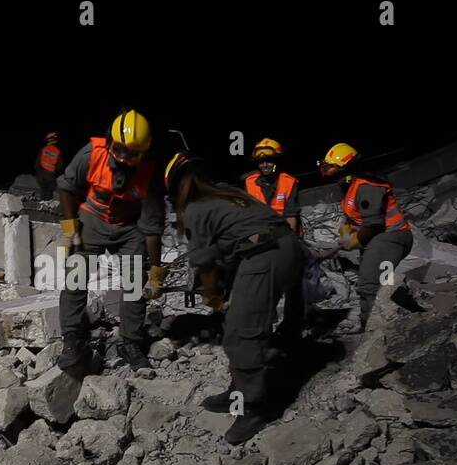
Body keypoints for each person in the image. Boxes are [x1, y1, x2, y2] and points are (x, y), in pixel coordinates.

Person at [165, 151, 303, 444]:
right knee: (236, 321)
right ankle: (240, 389)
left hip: (265, 254)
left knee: (241, 332)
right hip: (282, 248)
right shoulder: (230, 195)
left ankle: (253, 406)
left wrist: (213, 297)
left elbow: (204, 262)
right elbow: (229, 248)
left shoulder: (196, 208)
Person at [55, 109, 167, 371]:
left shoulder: (150, 172)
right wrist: (71, 228)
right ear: (109, 141)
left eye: (133, 154)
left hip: (129, 225)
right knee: (75, 276)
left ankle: (130, 343)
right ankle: (72, 338)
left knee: (134, 283)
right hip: (92, 217)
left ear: (144, 153)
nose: (125, 159)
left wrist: (155, 270)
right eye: (120, 150)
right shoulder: (90, 154)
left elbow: (152, 228)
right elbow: (66, 186)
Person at [318, 142, 413, 331]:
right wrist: (345, 232)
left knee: (369, 284)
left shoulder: (367, 187)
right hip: (379, 238)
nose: (333, 177)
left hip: (392, 236)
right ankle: (380, 320)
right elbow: (351, 217)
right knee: (372, 281)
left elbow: (374, 225)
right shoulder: (350, 187)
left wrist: (353, 242)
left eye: (335, 171)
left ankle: (376, 329)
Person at [241, 138, 304, 341]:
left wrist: (290, 248)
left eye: (268, 160)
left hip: (286, 233)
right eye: (261, 162)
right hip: (260, 235)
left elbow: (291, 217)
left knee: (292, 283)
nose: (264, 165)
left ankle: (291, 329)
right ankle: (262, 325)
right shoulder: (249, 181)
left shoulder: (289, 182)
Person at [35, 132, 64, 199]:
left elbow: (37, 163)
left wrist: (38, 172)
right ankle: (47, 204)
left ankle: (42, 203)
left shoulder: (44, 149)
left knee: (43, 189)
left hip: (41, 173)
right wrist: (55, 172)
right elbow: (60, 166)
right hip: (50, 174)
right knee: (50, 189)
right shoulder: (57, 151)